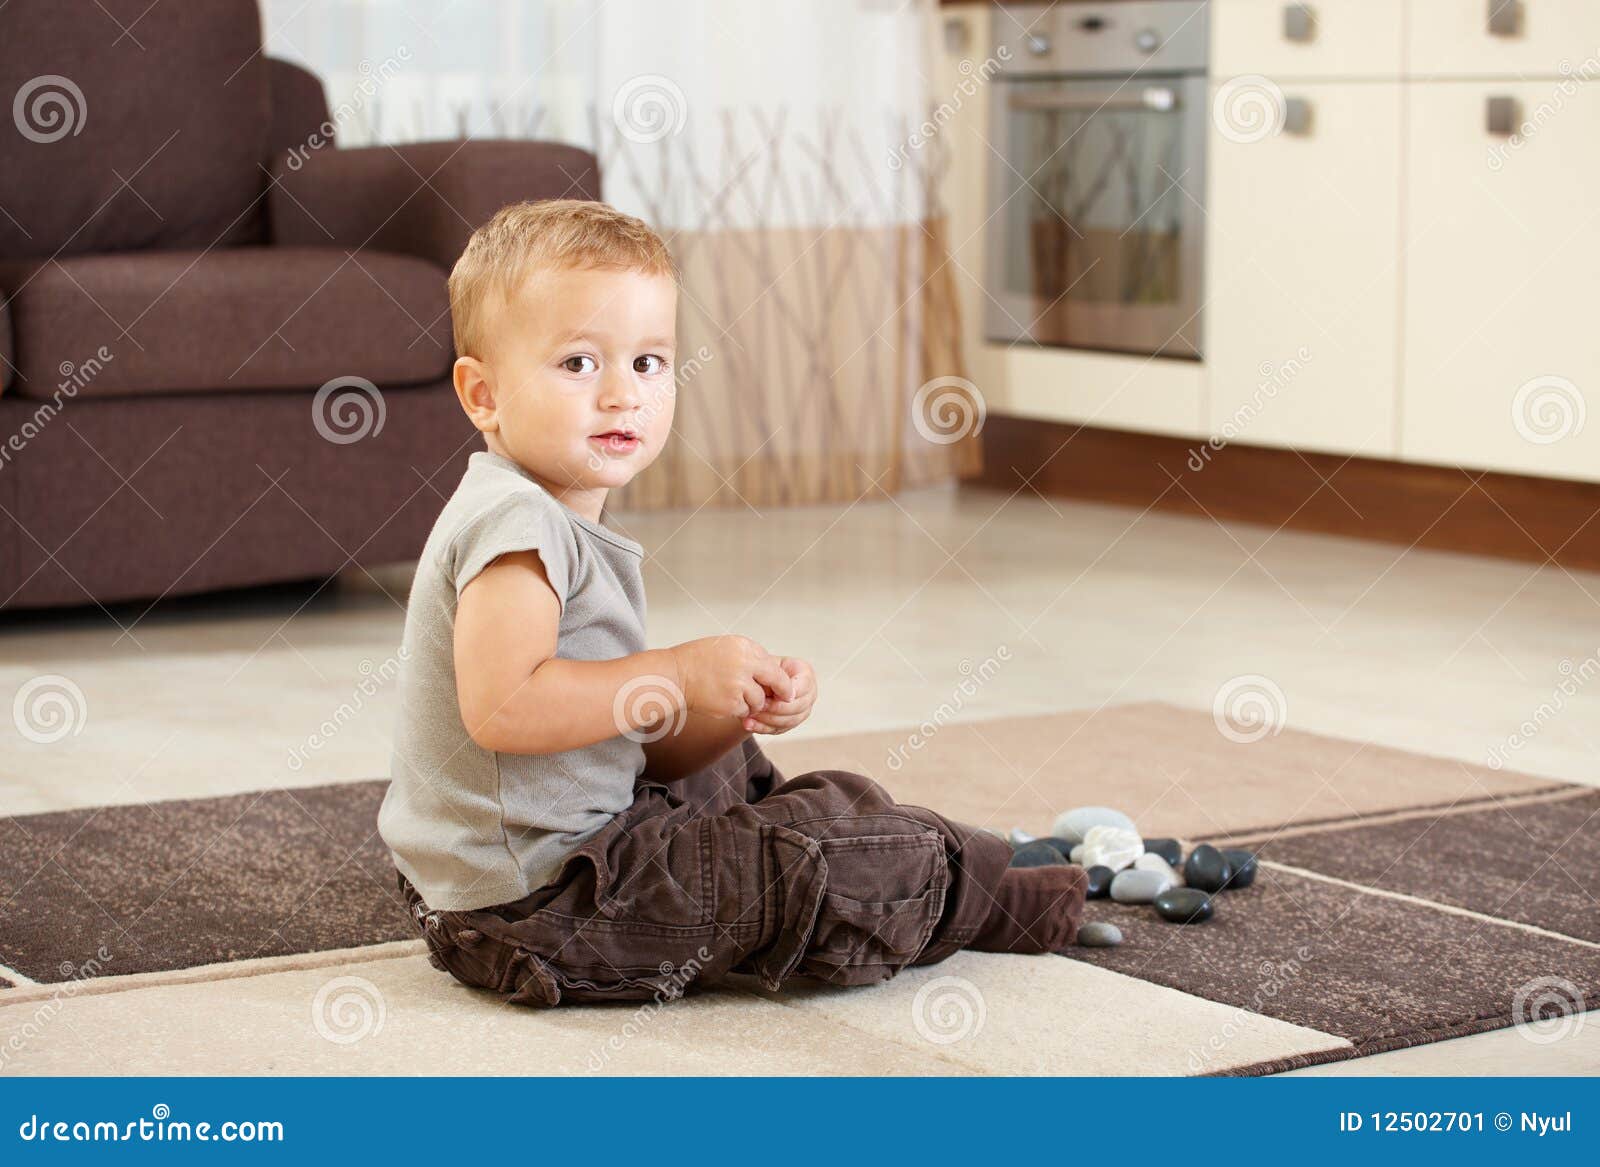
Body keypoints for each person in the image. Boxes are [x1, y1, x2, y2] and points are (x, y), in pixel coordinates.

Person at [378, 198, 1086, 1007]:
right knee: (823, 868)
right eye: (578, 363)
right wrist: (675, 674)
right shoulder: (514, 523)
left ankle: (859, 830)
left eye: (648, 362)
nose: (622, 395)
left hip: (548, 865)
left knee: (729, 762)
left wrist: (724, 705)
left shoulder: (552, 511)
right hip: (538, 906)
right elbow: (504, 707)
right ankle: (962, 883)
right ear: (483, 394)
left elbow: (622, 744)